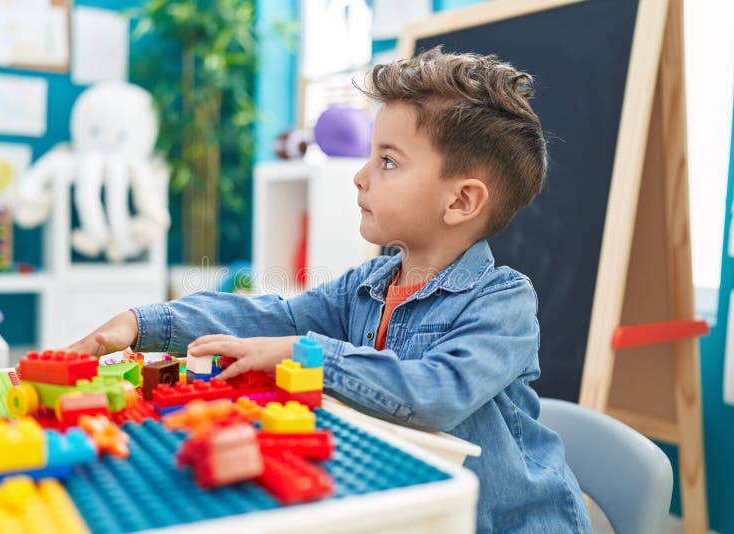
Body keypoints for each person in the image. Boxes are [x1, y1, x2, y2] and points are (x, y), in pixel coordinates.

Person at [67, 47, 591, 532]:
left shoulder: (503, 301)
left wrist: (305, 355)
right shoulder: (366, 286)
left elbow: (436, 392)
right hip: (415, 509)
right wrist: (145, 323)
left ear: (460, 202)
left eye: (388, 161)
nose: (360, 176)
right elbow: (273, 316)